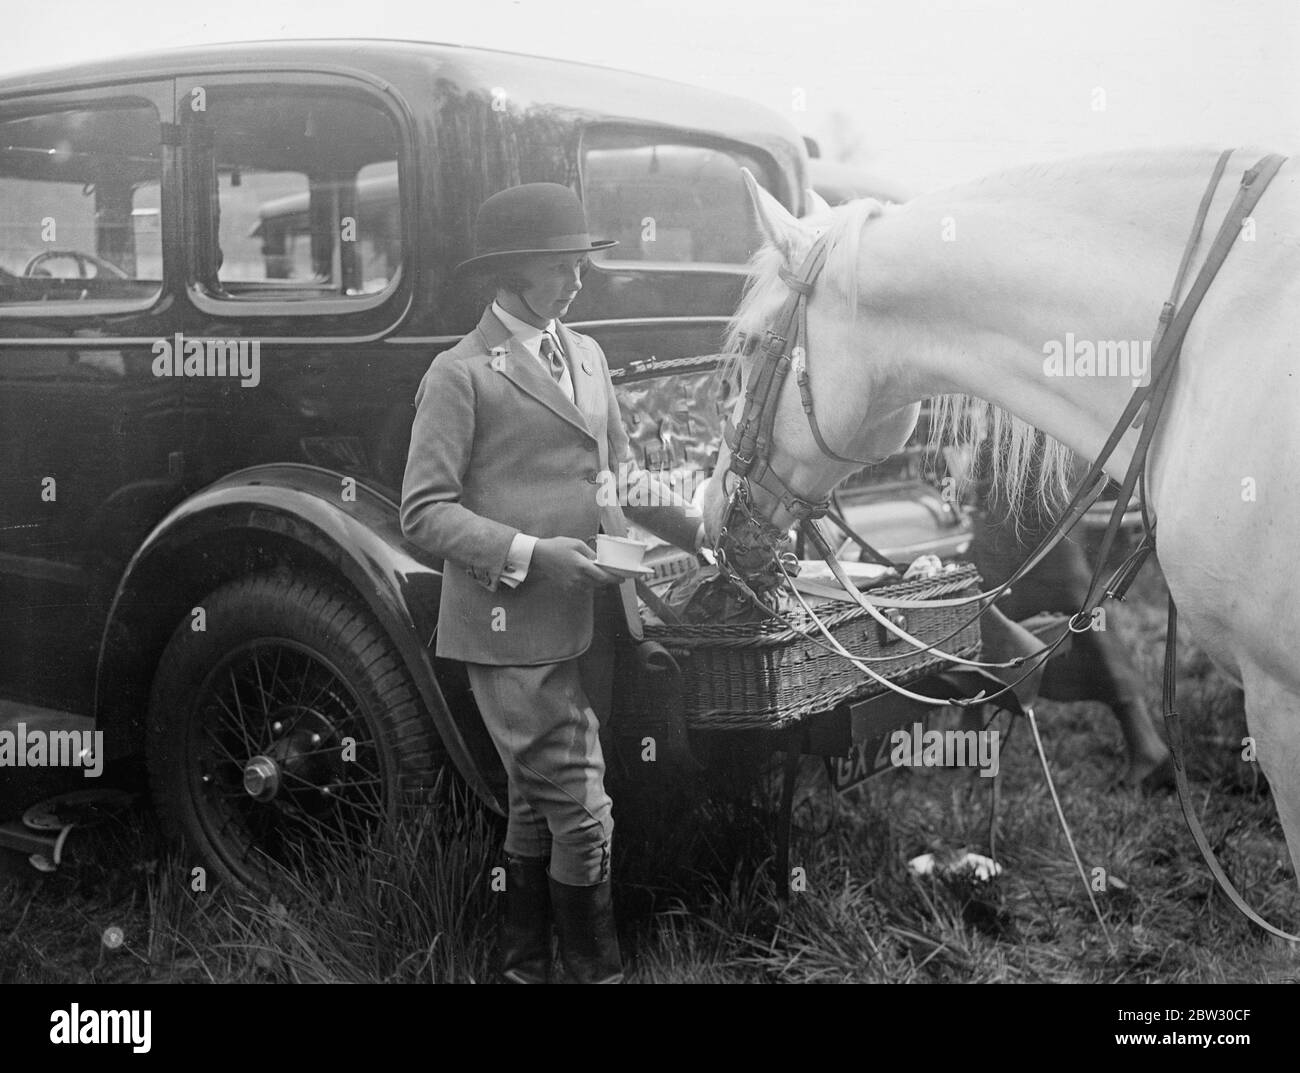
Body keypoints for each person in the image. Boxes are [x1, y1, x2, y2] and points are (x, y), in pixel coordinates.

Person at [400, 183, 703, 983]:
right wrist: (533, 552)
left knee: (538, 802)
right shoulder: (458, 376)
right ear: (508, 273)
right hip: (509, 631)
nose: (577, 279)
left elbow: (621, 477)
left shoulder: (590, 354)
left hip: (595, 617)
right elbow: (423, 513)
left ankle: (525, 965)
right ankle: (596, 972)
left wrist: (702, 528)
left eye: (580, 263)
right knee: (585, 811)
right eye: (560, 266)